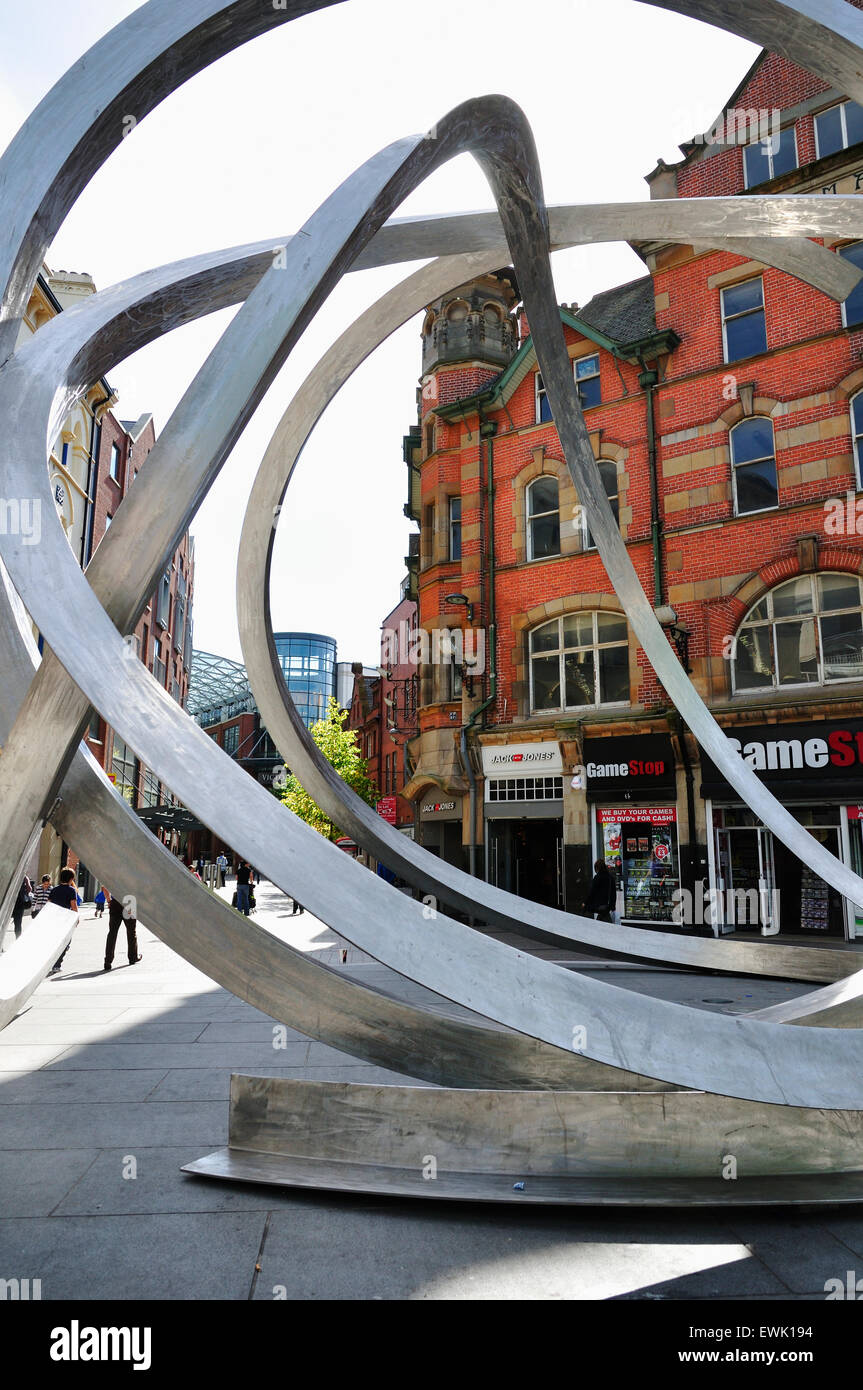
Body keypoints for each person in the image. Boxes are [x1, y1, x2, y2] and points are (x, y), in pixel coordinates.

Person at [48, 868, 81, 973]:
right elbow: (74, 905)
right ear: (71, 879)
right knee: (66, 942)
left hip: (54, 918)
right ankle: (56, 965)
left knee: (55, 941)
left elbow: (48, 904)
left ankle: (53, 963)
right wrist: (77, 918)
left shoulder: (54, 889)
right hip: (66, 919)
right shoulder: (71, 890)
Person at [103, 891, 141, 971]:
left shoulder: (112, 877)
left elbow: (104, 887)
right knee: (131, 932)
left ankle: (108, 961)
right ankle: (133, 957)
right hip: (130, 902)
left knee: (112, 933)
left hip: (115, 902)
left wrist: (109, 900)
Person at [583, 858, 617, 924]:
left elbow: (592, 892)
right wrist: (613, 906)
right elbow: (613, 893)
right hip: (607, 905)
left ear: (597, 868)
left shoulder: (597, 877)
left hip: (600, 905)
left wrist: (586, 902)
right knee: (603, 919)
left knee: (606, 922)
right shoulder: (610, 877)